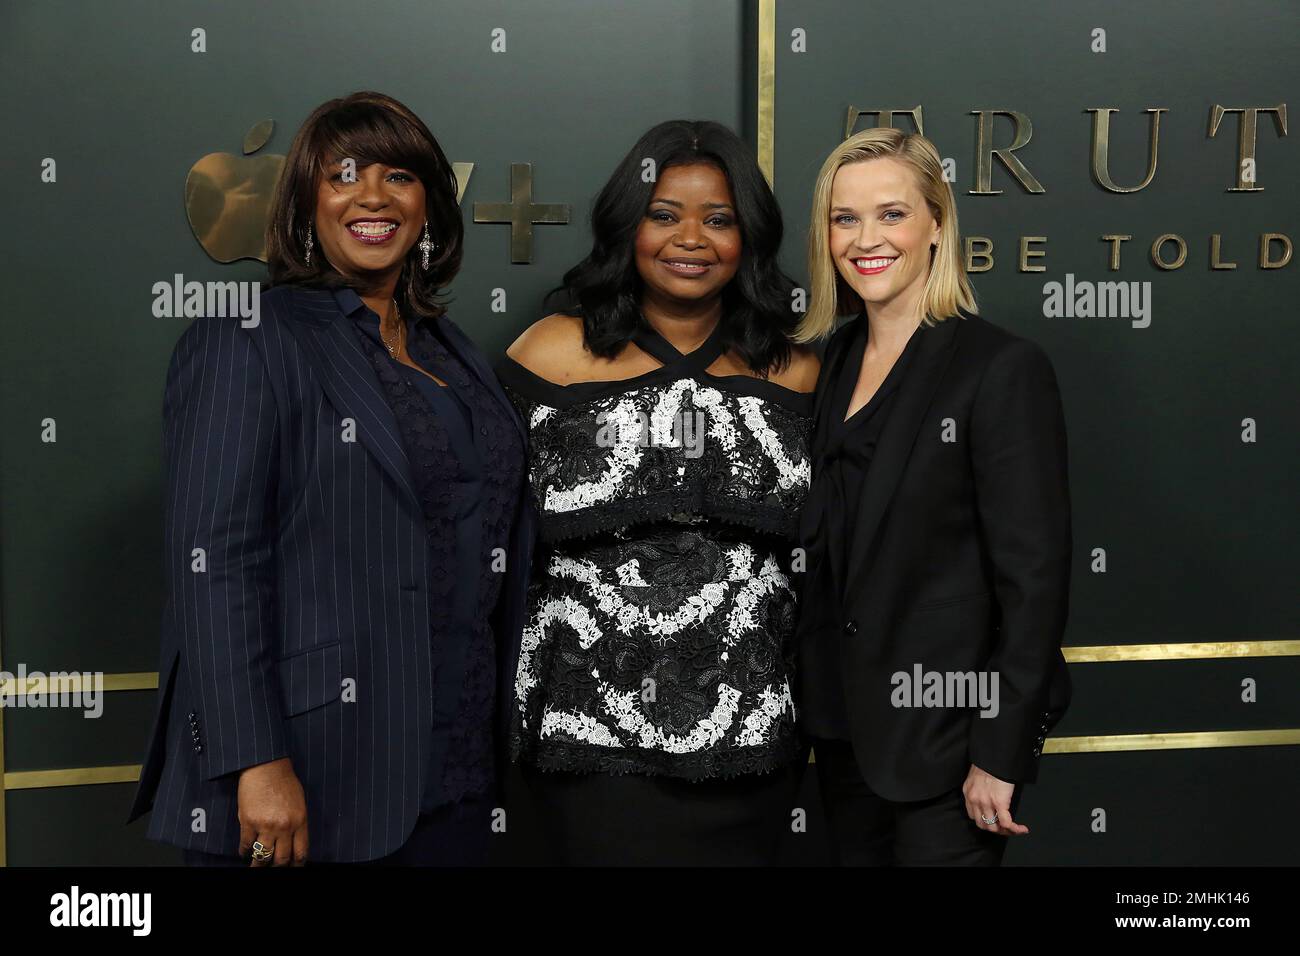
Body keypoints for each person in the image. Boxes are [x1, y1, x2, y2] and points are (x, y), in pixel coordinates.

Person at [127, 91, 533, 865]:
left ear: (429, 206)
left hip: (458, 771)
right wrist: (256, 762)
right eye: (344, 174)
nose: (373, 196)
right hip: (307, 777)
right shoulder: (248, 338)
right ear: (306, 198)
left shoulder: (451, 351)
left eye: (399, 177)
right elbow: (214, 569)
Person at [497, 120, 820, 865]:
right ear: (628, 225)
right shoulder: (550, 350)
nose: (691, 239)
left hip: (754, 741)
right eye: (664, 214)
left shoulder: (798, 368)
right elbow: (483, 534)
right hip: (585, 742)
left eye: (719, 219)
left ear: (749, 237)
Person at [794, 127, 1072, 866]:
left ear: (937, 225)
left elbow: (1034, 581)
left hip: (950, 753)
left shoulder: (1000, 368)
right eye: (844, 218)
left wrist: (1002, 751)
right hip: (842, 742)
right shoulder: (823, 366)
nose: (865, 239)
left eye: (892, 214)